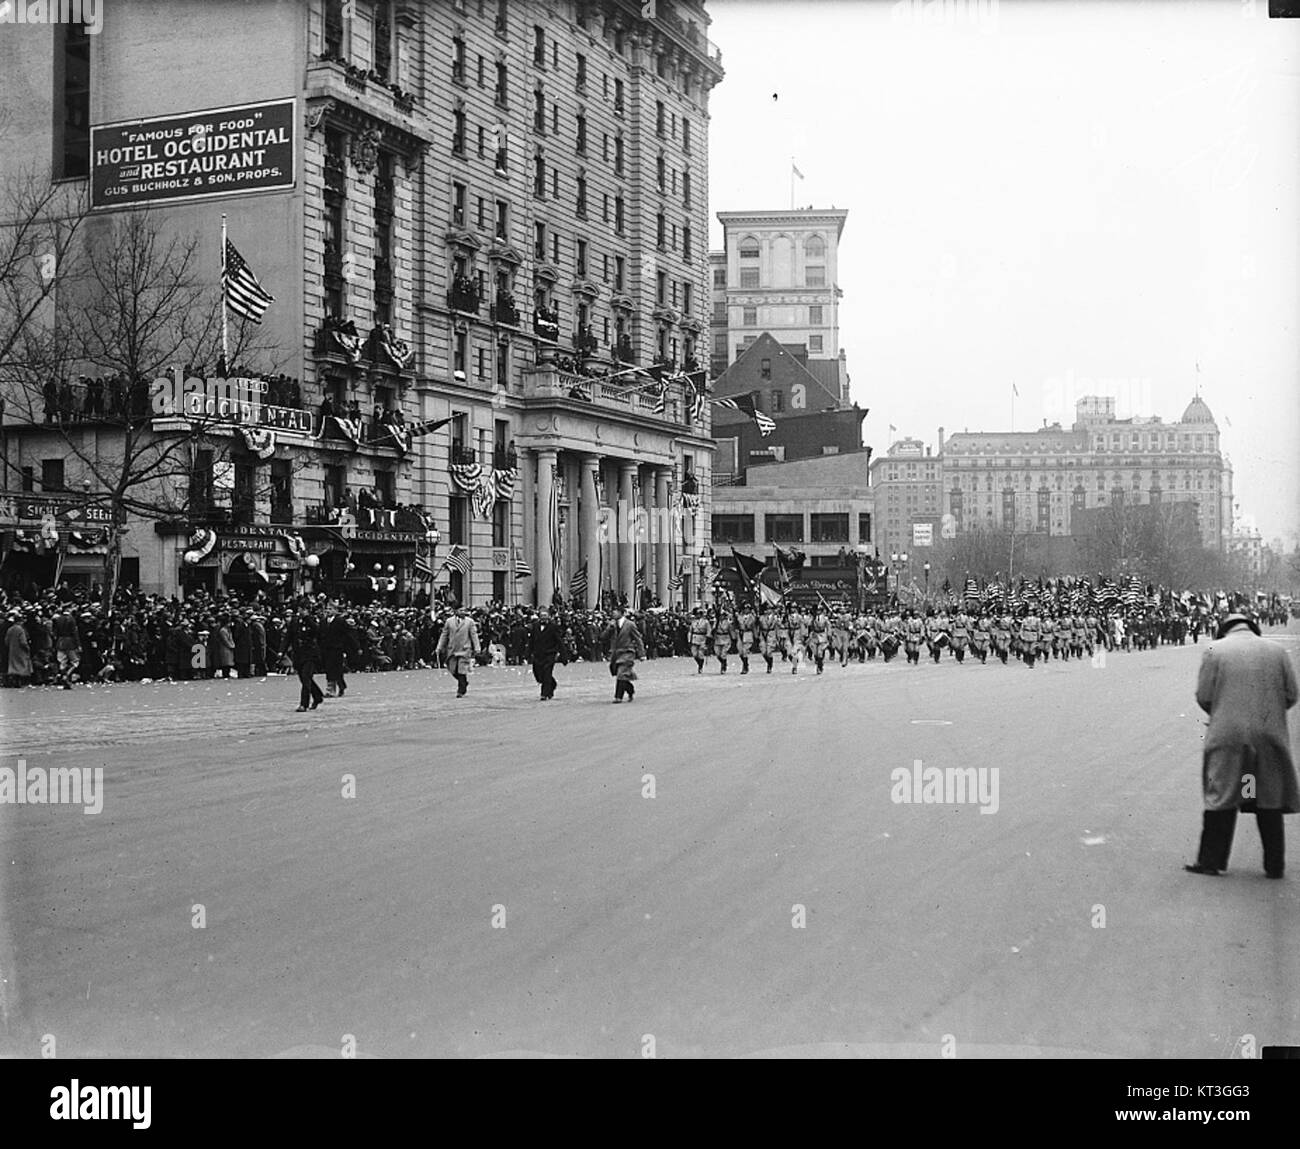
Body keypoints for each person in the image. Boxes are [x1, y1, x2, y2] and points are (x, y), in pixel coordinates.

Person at [1185, 612, 1299, 879]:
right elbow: (1291, 694)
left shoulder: (1215, 650)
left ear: (1224, 629)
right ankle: (1274, 865)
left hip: (1229, 735)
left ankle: (1211, 861)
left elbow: (1204, 696)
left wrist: (1223, 710)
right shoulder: (1278, 651)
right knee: (1266, 795)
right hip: (1268, 735)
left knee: (1222, 794)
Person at [287, 604, 325, 712]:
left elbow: (317, 631)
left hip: (310, 654)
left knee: (306, 676)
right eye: (301, 609)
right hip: (299, 654)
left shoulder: (312, 620)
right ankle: (317, 696)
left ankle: (304, 704)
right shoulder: (295, 622)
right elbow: (289, 637)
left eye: (305, 609)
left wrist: (307, 618)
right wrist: (281, 651)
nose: (302, 611)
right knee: (304, 679)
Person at [436, 605, 480, 697]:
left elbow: (473, 635)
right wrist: (439, 647)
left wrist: (477, 647)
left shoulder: (469, 622)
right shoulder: (449, 622)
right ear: (456, 611)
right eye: (461, 610)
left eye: (464, 610)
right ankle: (463, 682)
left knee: (461, 670)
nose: (463, 612)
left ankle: (461, 690)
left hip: (465, 649)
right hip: (452, 649)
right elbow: (444, 635)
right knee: (453, 669)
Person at [607, 607, 646, 703]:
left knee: (621, 673)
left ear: (621, 613)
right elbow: (603, 637)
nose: (613, 614)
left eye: (615, 612)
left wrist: (641, 654)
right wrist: (609, 629)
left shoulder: (630, 625)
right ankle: (630, 689)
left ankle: (618, 696)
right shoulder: (612, 625)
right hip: (616, 654)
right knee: (621, 675)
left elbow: (638, 639)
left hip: (627, 652)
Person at [529, 606, 565, 700]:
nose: (543, 618)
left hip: (550, 653)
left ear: (548, 617)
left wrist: (563, 655)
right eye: (542, 616)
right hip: (538, 654)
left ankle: (544, 694)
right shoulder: (535, 626)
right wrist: (527, 653)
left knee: (547, 672)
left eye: (545, 616)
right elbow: (531, 641)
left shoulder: (553, 627)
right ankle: (552, 684)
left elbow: (559, 641)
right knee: (538, 673)